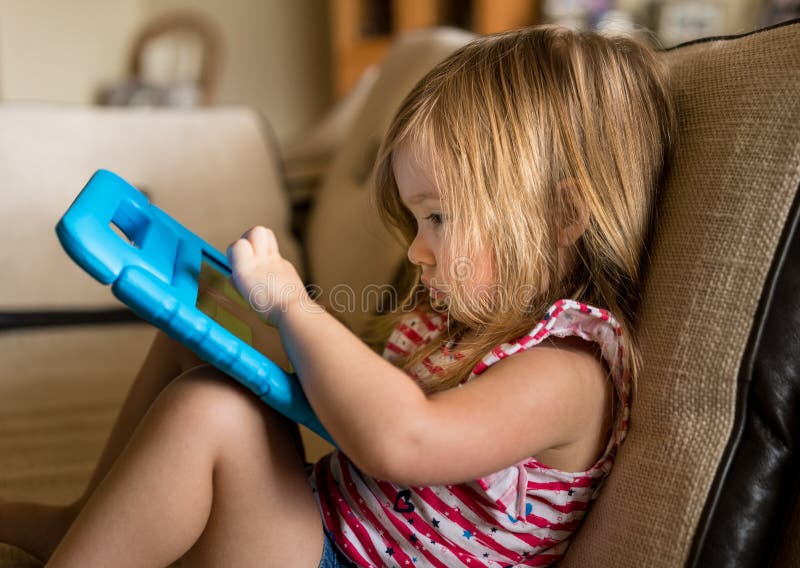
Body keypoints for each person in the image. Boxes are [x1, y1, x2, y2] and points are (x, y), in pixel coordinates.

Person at [0, 25, 675, 567]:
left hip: (333, 552)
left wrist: (295, 307)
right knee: (195, 329)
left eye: (437, 217)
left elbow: (403, 441)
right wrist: (264, 331)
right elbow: (361, 398)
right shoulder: (465, 317)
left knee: (214, 413)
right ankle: (89, 517)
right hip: (326, 526)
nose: (416, 250)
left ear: (562, 218)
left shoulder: (568, 370)